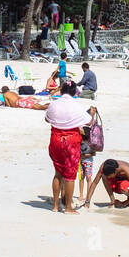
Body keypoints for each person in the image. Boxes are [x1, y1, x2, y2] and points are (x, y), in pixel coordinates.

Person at [44, 82, 94, 214]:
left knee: (58, 173)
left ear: (61, 91)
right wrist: (92, 114)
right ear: (74, 92)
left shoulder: (54, 104)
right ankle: (68, 207)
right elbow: (89, 121)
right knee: (70, 175)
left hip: (55, 139)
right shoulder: (76, 105)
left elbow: (47, 119)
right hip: (71, 141)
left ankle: (55, 205)